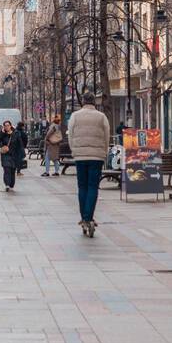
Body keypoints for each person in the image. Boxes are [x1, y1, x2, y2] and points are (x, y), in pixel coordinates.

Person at [68, 94, 110, 238]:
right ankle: (89, 217)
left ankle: (84, 218)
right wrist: (104, 152)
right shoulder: (101, 117)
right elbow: (107, 135)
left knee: (82, 187)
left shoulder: (75, 116)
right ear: (94, 102)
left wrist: (74, 150)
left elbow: (70, 135)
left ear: (83, 102)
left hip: (80, 156)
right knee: (93, 187)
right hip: (97, 156)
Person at [0, 120, 24, 192]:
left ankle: (11, 184)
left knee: (12, 170)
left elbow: (20, 144)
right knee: (6, 169)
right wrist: (2, 133)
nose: (6, 127)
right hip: (5, 154)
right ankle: (7, 184)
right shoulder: (3, 134)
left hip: (14, 155)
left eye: (8, 125)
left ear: (11, 126)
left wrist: (22, 154)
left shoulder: (16, 133)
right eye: (5, 126)